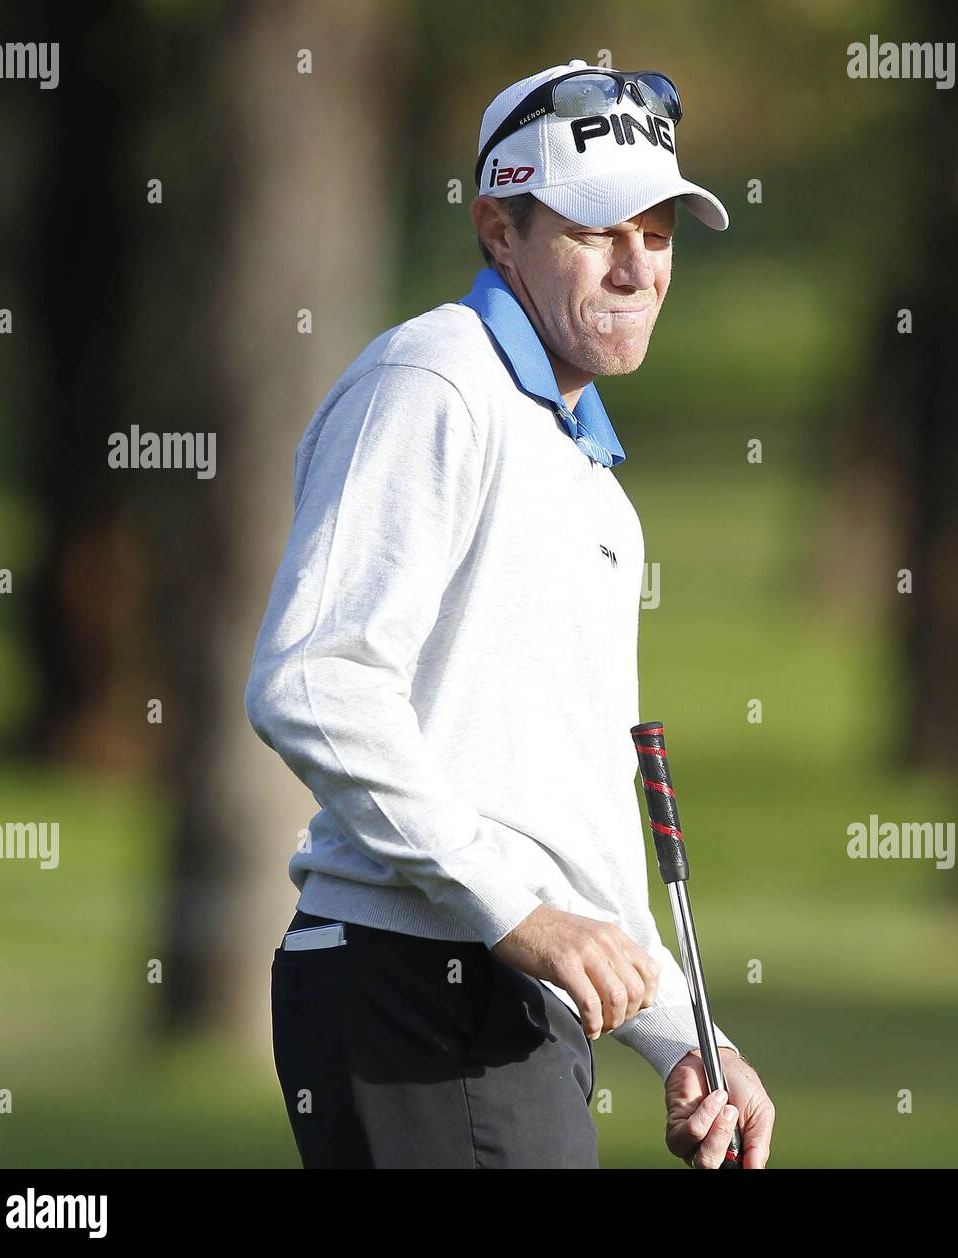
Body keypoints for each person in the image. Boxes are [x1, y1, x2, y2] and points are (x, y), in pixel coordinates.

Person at [245, 57, 775, 1169]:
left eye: (661, 233)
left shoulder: (589, 478)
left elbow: (554, 813)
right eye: (596, 231)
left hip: (501, 990)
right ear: (499, 231)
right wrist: (520, 918)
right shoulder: (434, 383)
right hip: (420, 985)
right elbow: (314, 684)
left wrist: (681, 1032)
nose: (637, 267)